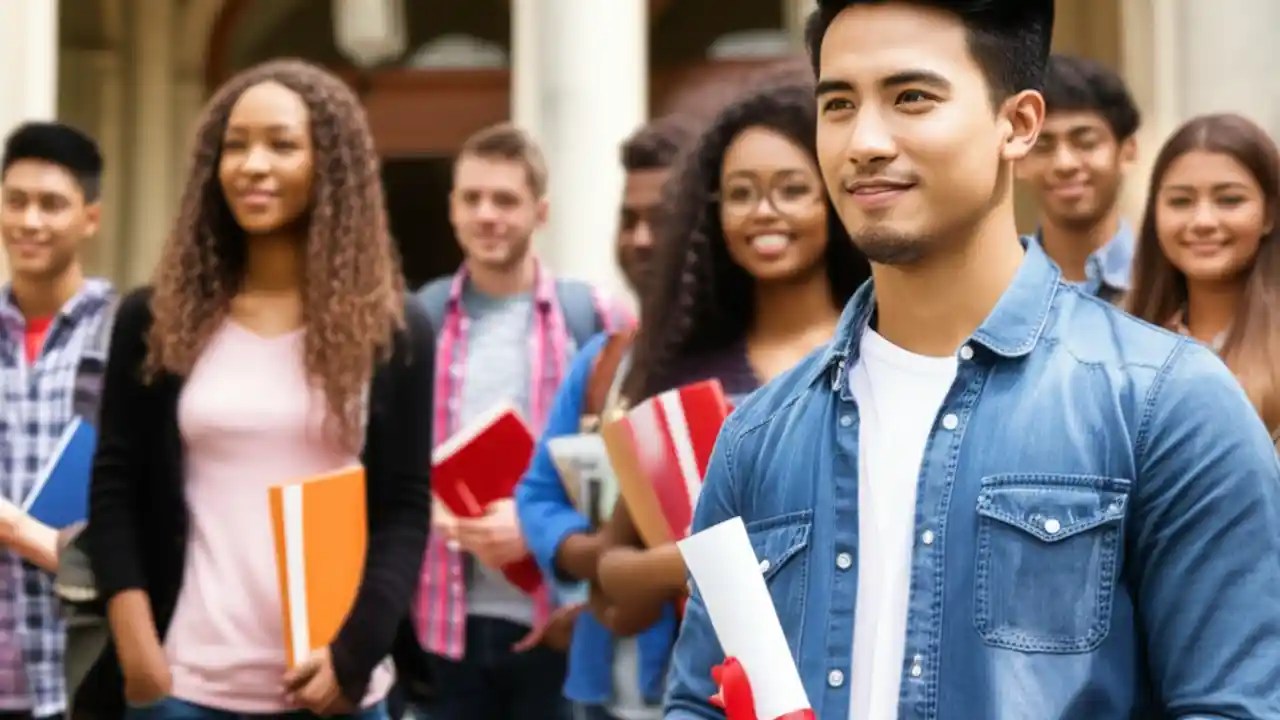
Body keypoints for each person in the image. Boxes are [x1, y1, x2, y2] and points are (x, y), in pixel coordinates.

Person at [665, 1, 1280, 719]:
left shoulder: (1165, 404)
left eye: (911, 98)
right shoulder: (757, 436)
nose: (864, 141)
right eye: (838, 104)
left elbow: (1234, 704)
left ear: (1017, 124)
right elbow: (700, 701)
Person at [84, 59, 434, 720]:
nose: (252, 165)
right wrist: (136, 648)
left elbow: (404, 507)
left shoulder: (393, 330)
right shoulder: (155, 319)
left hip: (331, 691)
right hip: (184, 688)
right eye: (235, 145)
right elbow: (115, 485)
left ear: (330, 166)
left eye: (282, 144)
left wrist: (353, 658)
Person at [411, 122, 631, 720]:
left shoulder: (596, 317)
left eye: (505, 200)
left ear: (541, 211)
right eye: (472, 198)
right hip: (444, 619)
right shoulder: (416, 321)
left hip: (563, 617)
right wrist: (436, 510)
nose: (487, 215)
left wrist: (537, 526)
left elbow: (630, 469)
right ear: (452, 209)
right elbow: (389, 463)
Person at [514, 113, 700, 720]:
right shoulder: (604, 362)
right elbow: (537, 494)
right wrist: (601, 557)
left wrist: (637, 570)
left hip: (706, 688)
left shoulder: (737, 364)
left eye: (662, 219)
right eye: (628, 220)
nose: (641, 239)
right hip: (600, 687)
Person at [0, 121, 114, 720]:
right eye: (15, 201)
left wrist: (16, 529)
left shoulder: (127, 338)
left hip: (82, 665)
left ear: (90, 218)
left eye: (51, 204)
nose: (30, 221)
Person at [1127, 113, 1280, 444]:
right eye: (1181, 201)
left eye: (1230, 200)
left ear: (1269, 214)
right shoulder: (1120, 340)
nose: (1203, 221)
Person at [1016, 53, 1141, 303]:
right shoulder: (998, 290)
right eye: (1043, 146)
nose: (1065, 164)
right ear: (1018, 161)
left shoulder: (1169, 284)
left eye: (1086, 142)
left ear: (1127, 152)